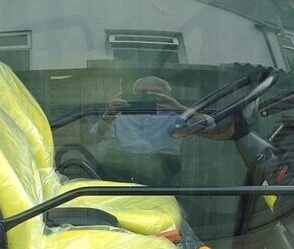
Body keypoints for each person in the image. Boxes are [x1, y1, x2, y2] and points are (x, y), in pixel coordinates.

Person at [87, 76, 220, 186]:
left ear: (168, 95)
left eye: (155, 92)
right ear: (134, 94)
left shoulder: (178, 116)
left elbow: (208, 125)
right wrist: (109, 115)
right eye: (142, 92)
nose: (149, 95)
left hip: (162, 171)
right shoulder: (120, 113)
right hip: (121, 169)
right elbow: (95, 136)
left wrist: (179, 108)